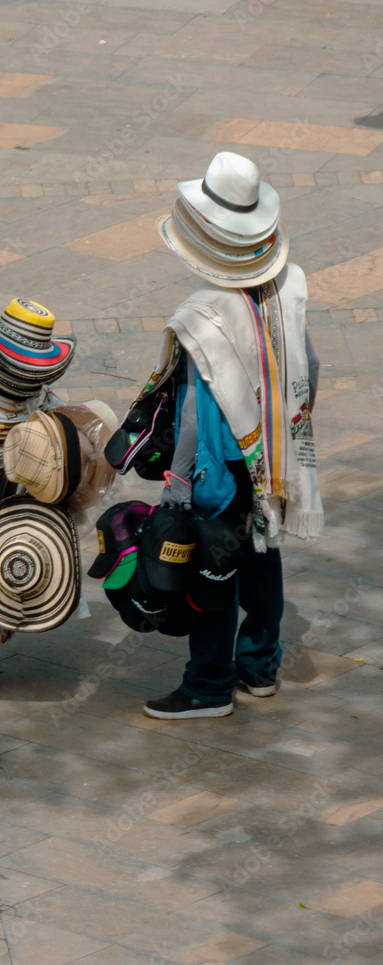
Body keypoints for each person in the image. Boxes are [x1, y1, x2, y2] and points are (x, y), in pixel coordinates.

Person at [142, 151, 323, 720]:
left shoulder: (204, 312)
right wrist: (281, 435)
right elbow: (309, 369)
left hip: (221, 469)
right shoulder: (289, 286)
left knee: (212, 570)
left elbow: (196, 412)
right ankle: (260, 665)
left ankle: (208, 685)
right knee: (261, 554)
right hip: (272, 459)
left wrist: (176, 483)